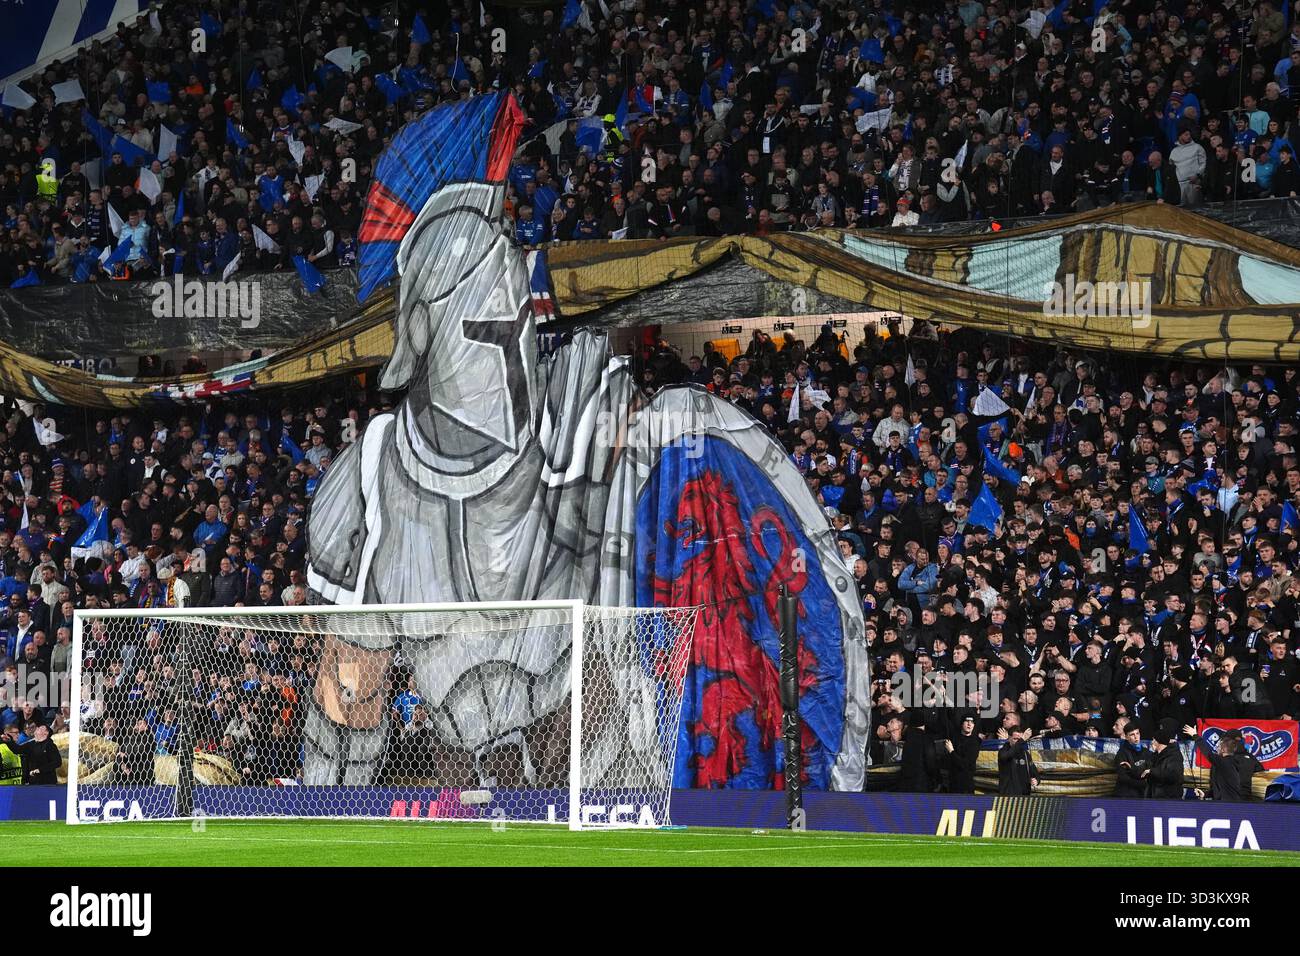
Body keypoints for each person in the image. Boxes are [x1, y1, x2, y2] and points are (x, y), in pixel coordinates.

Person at [1184, 725, 1263, 801]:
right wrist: (1205, 794)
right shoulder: (1251, 759)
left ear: (1225, 745)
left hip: (1226, 805)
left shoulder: (1223, 761)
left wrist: (1195, 736)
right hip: (1246, 804)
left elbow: (1208, 754)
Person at [1146, 720, 1186, 799]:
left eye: (1161, 730)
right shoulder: (1157, 753)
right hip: (1154, 799)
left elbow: (1173, 776)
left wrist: (1152, 771)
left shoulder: (1174, 755)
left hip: (1168, 802)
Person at [1113, 720, 1151, 798]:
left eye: (1137, 733)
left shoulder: (1146, 752)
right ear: (1126, 737)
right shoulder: (1121, 754)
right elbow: (1123, 777)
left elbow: (1150, 770)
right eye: (1132, 735)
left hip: (1142, 794)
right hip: (1126, 795)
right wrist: (1142, 783)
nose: (1136, 737)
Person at [997, 726, 1039, 795]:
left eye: (1020, 739)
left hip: (1025, 795)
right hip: (1008, 795)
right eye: (1015, 739)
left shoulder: (1025, 753)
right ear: (1009, 738)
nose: (1018, 741)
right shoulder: (1003, 751)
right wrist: (1021, 740)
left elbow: (1034, 772)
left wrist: (1036, 780)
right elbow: (1007, 756)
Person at [945, 714, 981, 793]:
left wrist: (951, 751)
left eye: (972, 722)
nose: (969, 724)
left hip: (966, 786)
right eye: (967, 721)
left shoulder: (974, 742)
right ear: (962, 723)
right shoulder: (954, 738)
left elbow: (964, 764)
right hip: (952, 784)